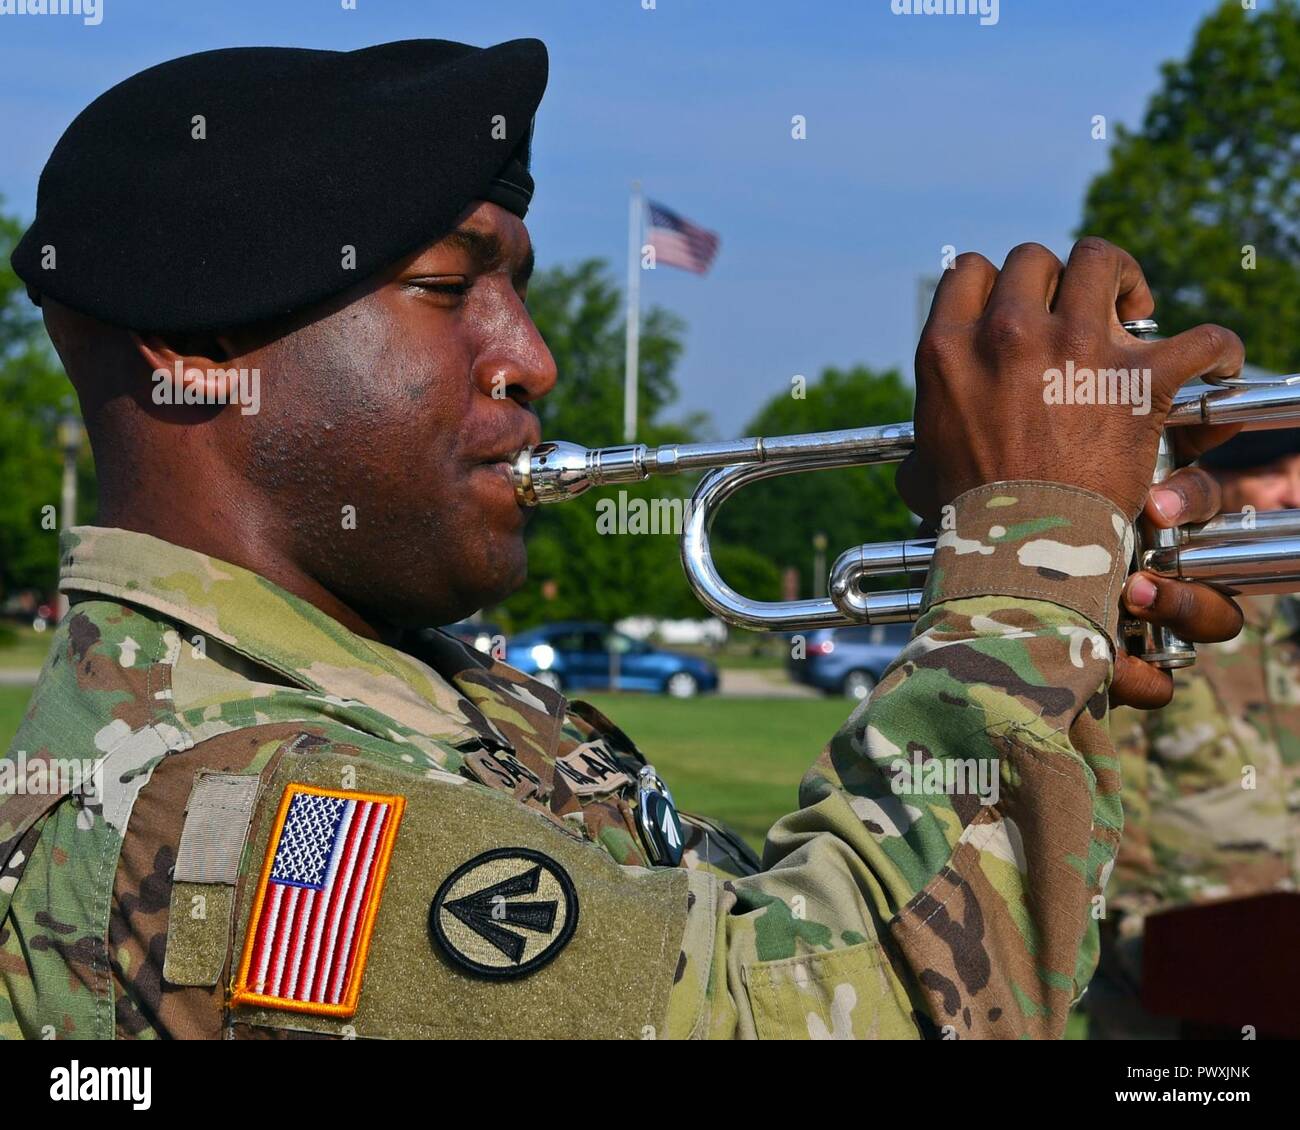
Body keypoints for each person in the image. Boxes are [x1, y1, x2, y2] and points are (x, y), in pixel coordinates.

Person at [0, 39, 1247, 1040]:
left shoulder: (429, 689)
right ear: (195, 350)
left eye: (518, 289)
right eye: (447, 288)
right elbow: (868, 1007)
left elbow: (752, 934)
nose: (530, 356)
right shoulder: (236, 804)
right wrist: (1025, 570)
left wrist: (1054, 638)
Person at [1089, 429, 1300, 1039]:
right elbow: (1111, 788)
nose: (1291, 495)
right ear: (1214, 487)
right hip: (1172, 974)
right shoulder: (1153, 613)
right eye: (1272, 475)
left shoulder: (1292, 617)